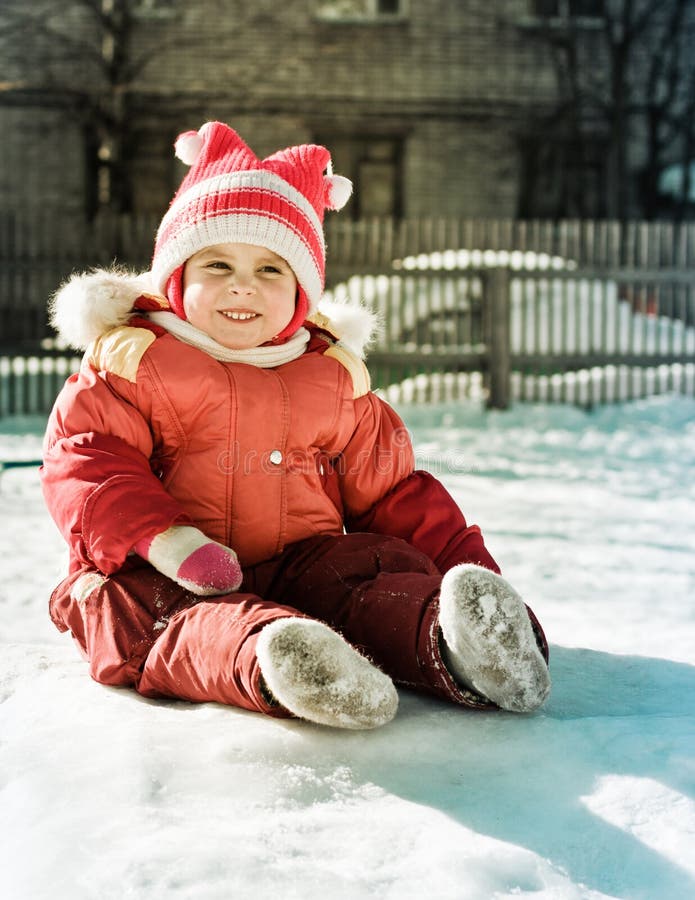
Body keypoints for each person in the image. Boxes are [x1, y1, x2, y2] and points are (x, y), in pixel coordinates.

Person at [41, 121, 550, 730]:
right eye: (218, 264)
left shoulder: (329, 376)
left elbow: (391, 491)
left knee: (369, 570)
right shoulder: (135, 361)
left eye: (271, 270)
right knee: (134, 616)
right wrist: (169, 541)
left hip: (299, 567)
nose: (242, 285)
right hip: (160, 570)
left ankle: (456, 640)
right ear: (175, 277)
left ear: (302, 293)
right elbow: (89, 462)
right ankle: (279, 662)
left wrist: (468, 566)